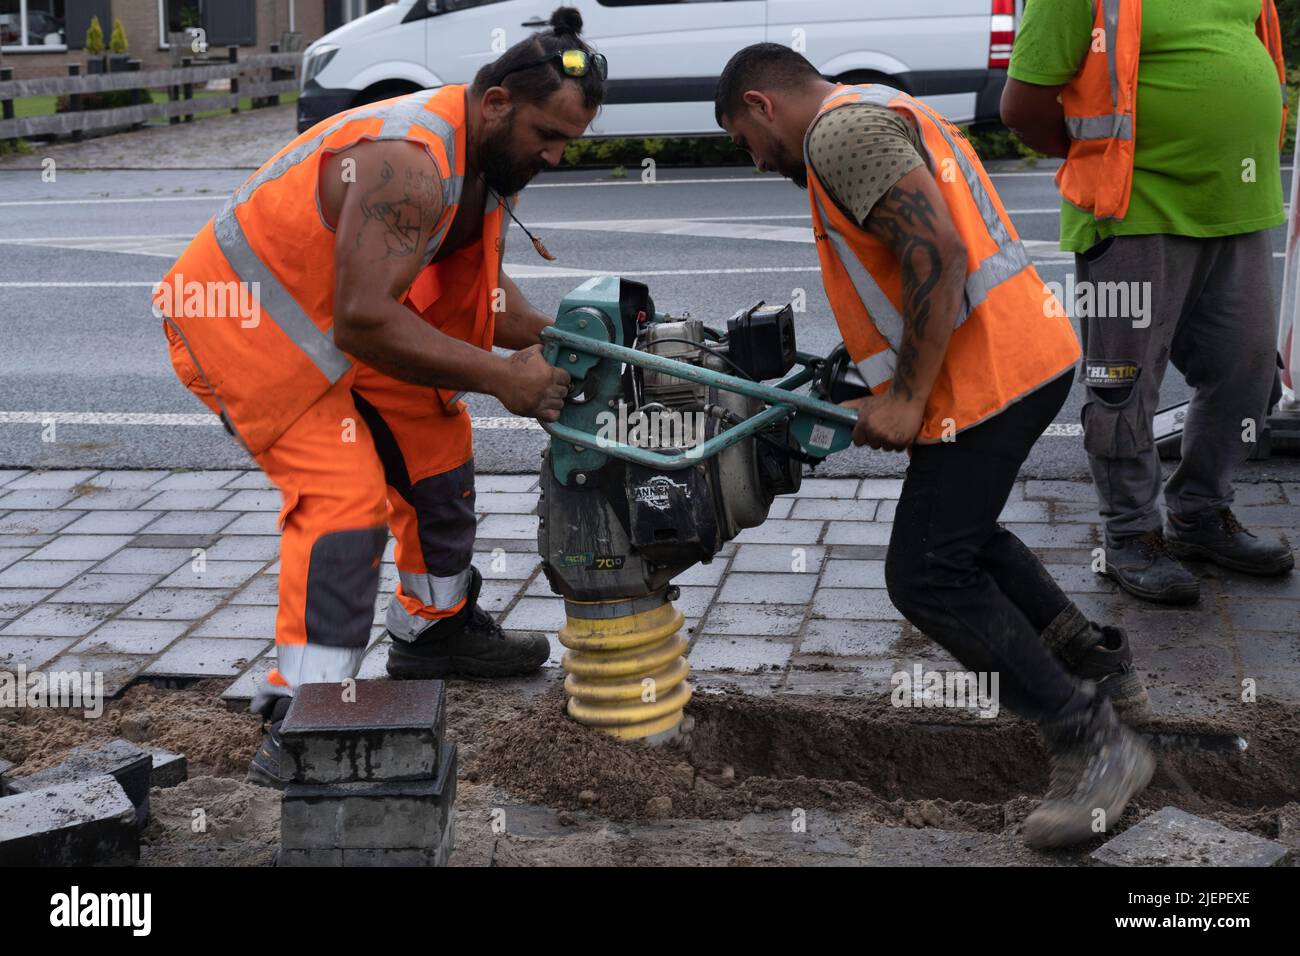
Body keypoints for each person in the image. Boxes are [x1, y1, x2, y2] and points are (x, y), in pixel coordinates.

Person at [714, 44, 1153, 848]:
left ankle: (1088, 739)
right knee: (964, 535)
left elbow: (938, 254)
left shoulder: (834, 137)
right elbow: (910, 260)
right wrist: (873, 383)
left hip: (988, 379)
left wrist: (910, 398)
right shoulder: (882, 105)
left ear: (760, 104)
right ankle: (1100, 670)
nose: (755, 158)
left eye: (745, 140)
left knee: (924, 573)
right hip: (1022, 356)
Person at [155, 7, 602, 787]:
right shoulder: (407, 163)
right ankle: (305, 722)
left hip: (334, 319)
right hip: (244, 325)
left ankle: (435, 631)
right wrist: (504, 378)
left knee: (435, 444)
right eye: (548, 136)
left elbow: (474, 293)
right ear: (496, 103)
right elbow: (365, 319)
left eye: (569, 143)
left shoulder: (483, 157)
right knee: (344, 504)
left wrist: (568, 337)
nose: (556, 158)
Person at [1001, 0, 1294, 604]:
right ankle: (1130, 535)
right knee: (1124, 386)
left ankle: (1200, 515)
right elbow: (1023, 108)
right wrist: (1104, 160)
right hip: (1130, 213)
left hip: (1236, 207)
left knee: (1247, 373)